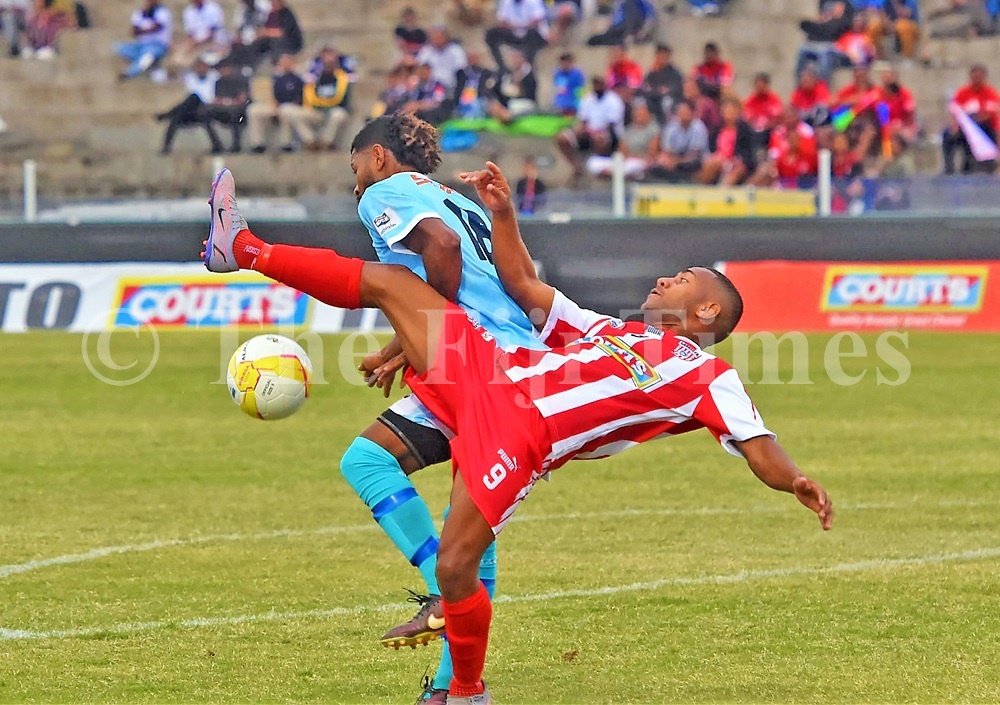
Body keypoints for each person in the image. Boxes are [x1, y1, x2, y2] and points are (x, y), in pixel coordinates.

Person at [203, 161, 834, 705]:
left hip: (520, 436)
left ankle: (465, 690)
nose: (666, 279)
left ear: (706, 311)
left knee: (456, 567)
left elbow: (758, 445)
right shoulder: (610, 330)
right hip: (488, 370)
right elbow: (525, 287)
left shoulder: (708, 376)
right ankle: (244, 249)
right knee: (392, 282)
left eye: (683, 280)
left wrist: (795, 481)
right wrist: (502, 213)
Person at [554, 76, 626, 181]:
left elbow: (611, 124)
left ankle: (596, 170)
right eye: (595, 85)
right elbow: (583, 120)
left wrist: (596, 132)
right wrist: (582, 130)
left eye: (600, 84)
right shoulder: (587, 99)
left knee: (599, 138)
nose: (598, 87)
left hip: (609, 134)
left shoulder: (614, 100)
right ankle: (577, 167)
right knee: (562, 137)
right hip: (588, 132)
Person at [156, 58, 225, 154]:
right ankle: (166, 147)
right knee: (176, 118)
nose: (201, 70)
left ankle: (167, 114)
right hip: (193, 109)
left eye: (203, 67)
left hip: (209, 107)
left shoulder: (214, 77)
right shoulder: (191, 78)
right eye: (198, 67)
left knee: (194, 97)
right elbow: (164, 77)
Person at [942, 63, 1000, 174]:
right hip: (966, 129)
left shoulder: (991, 94)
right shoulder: (962, 93)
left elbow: (989, 115)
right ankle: (949, 169)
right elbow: (955, 111)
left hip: (985, 130)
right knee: (948, 134)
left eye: (979, 77)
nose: (976, 80)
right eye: (974, 77)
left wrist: (973, 119)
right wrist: (955, 125)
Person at [246, 52, 305, 153]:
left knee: (286, 110)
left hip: (291, 106)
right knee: (253, 110)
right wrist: (274, 106)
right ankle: (257, 144)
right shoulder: (275, 78)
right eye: (283, 61)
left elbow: (300, 97)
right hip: (273, 106)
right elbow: (271, 95)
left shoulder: (298, 79)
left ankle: (286, 143)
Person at [586, 99, 659, 178]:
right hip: (624, 161)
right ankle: (610, 172)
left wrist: (634, 158)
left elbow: (652, 154)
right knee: (593, 162)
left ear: (648, 115)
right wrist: (625, 158)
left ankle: (610, 173)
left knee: (631, 165)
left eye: (641, 114)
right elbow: (621, 151)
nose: (638, 116)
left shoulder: (653, 130)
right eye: (636, 113)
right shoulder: (628, 130)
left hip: (640, 162)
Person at [695, 96, 756, 185]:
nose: (729, 114)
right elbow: (711, 149)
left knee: (735, 170)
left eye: (732, 111)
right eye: (726, 110)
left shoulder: (745, 130)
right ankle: (701, 188)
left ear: (738, 112)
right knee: (711, 163)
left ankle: (723, 190)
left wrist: (737, 160)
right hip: (718, 160)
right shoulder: (716, 130)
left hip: (736, 163)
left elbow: (749, 154)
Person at [650, 98, 709, 182]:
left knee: (690, 164)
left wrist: (676, 162)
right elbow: (666, 151)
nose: (683, 114)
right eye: (681, 111)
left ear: (692, 113)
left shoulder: (698, 127)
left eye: (685, 111)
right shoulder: (672, 126)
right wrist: (666, 160)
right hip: (674, 159)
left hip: (693, 160)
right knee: (657, 165)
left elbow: (694, 154)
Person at [116, 0, 172, 81]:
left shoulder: (163, 12)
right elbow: (134, 32)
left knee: (146, 57)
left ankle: (129, 73)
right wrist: (144, 27)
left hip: (158, 45)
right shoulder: (139, 13)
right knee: (118, 47)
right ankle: (149, 65)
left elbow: (156, 28)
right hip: (141, 45)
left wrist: (141, 30)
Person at [485, 0, 548, 71]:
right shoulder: (506, 2)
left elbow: (538, 19)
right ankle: (501, 66)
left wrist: (522, 26)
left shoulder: (534, 1)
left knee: (532, 34)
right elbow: (501, 20)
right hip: (513, 31)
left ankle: (529, 66)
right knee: (491, 34)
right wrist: (512, 26)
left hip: (531, 32)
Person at [641, 43, 684, 125]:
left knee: (667, 102)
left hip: (669, 102)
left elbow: (676, 89)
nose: (662, 57)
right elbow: (646, 87)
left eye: (664, 55)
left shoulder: (675, 73)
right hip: (653, 100)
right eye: (660, 54)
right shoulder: (652, 74)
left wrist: (665, 91)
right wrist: (658, 91)